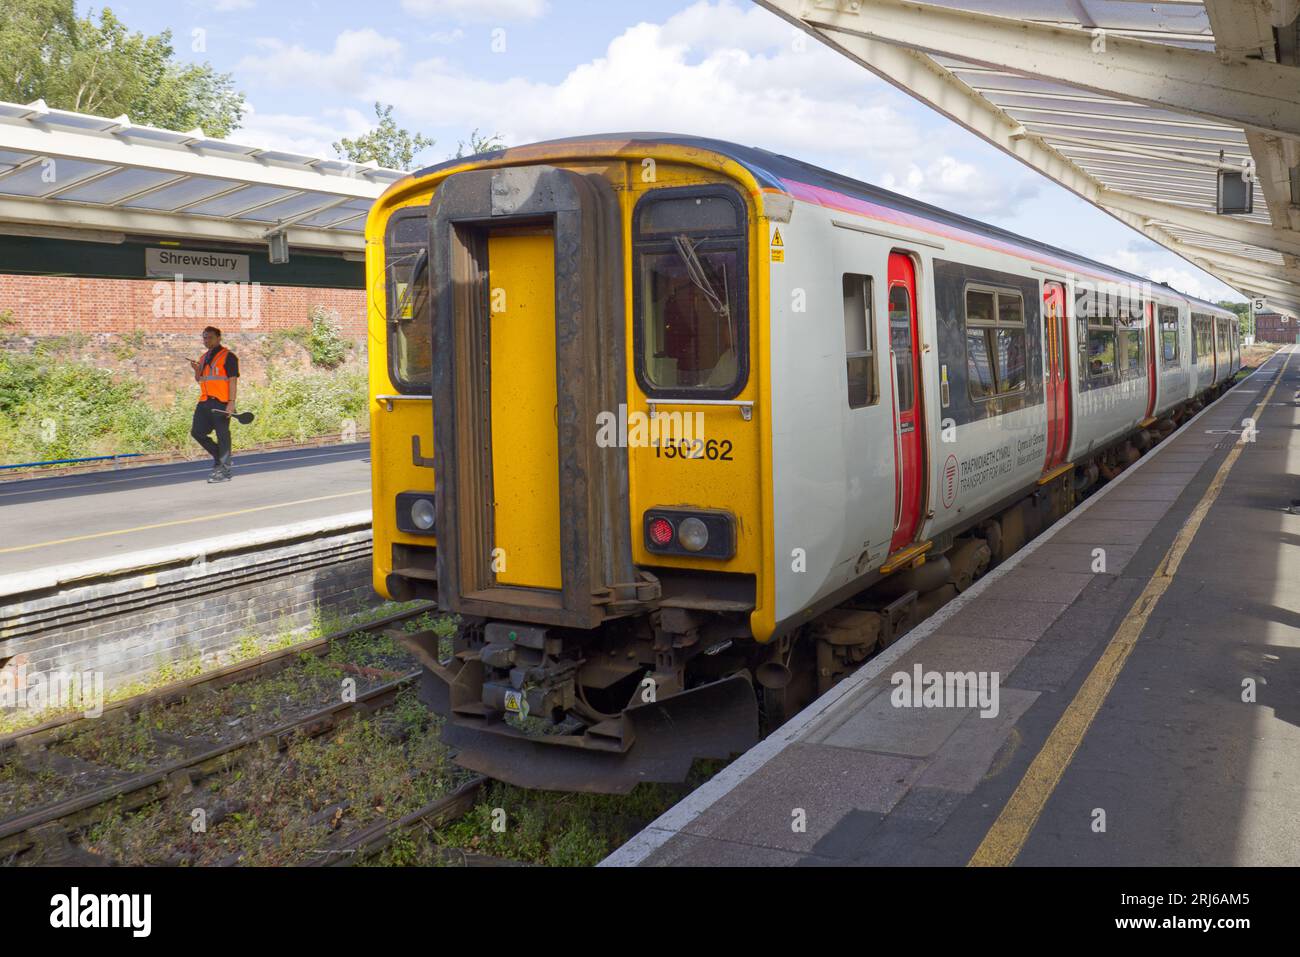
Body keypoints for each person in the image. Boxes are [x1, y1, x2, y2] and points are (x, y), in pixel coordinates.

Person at [189, 326, 239, 483]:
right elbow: (201, 379)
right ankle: (221, 458)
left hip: (221, 402)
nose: (206, 340)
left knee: (223, 435)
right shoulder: (203, 358)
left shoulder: (229, 357)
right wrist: (197, 370)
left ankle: (224, 471)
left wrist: (231, 403)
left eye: (210, 337)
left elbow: (232, 380)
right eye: (204, 337)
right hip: (204, 401)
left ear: (219, 338)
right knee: (197, 432)